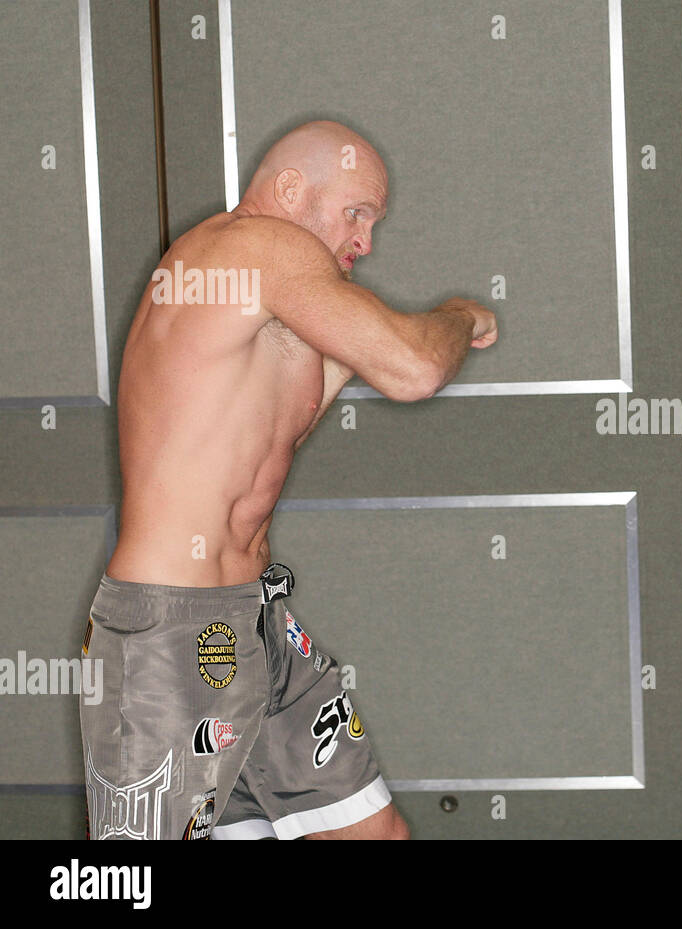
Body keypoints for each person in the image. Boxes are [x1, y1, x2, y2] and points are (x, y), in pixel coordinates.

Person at [80, 119, 497, 840]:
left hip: (258, 620)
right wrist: (460, 314)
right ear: (291, 190)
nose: (365, 241)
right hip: (170, 633)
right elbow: (414, 366)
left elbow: (374, 356)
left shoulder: (281, 305)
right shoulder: (250, 247)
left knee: (373, 834)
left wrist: (430, 331)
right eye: (356, 213)